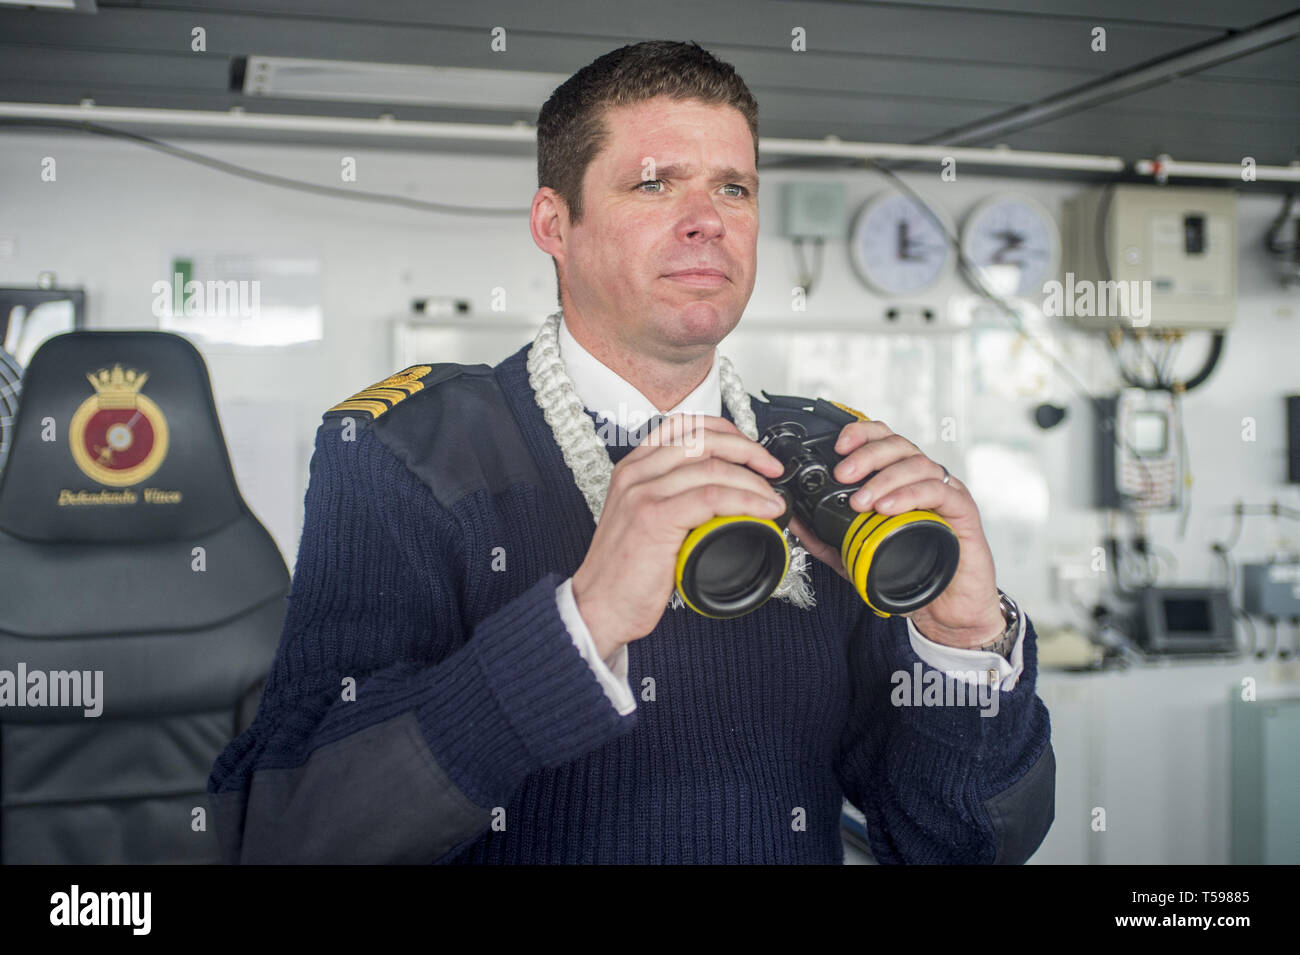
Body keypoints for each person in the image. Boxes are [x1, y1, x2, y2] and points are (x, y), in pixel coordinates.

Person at [208, 39, 1054, 864]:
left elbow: (965, 842)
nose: (708, 223)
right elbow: (292, 831)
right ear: (555, 223)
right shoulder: (406, 452)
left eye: (734, 187)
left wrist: (964, 644)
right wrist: (582, 620)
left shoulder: (834, 458)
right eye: (655, 184)